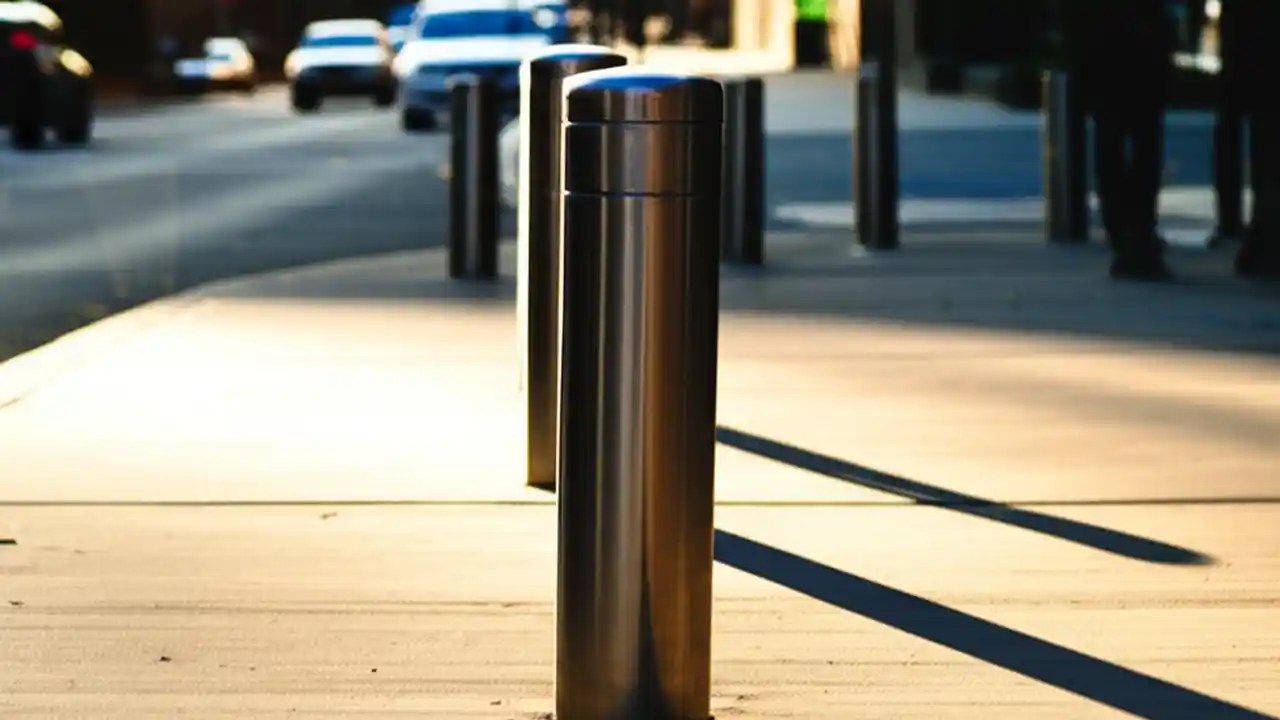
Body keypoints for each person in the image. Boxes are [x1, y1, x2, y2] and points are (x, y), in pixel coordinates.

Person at [1069, 0, 1175, 280]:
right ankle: (1135, 229)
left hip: (1113, 60)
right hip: (1133, 61)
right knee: (1138, 151)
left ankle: (1126, 229)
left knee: (1117, 152)